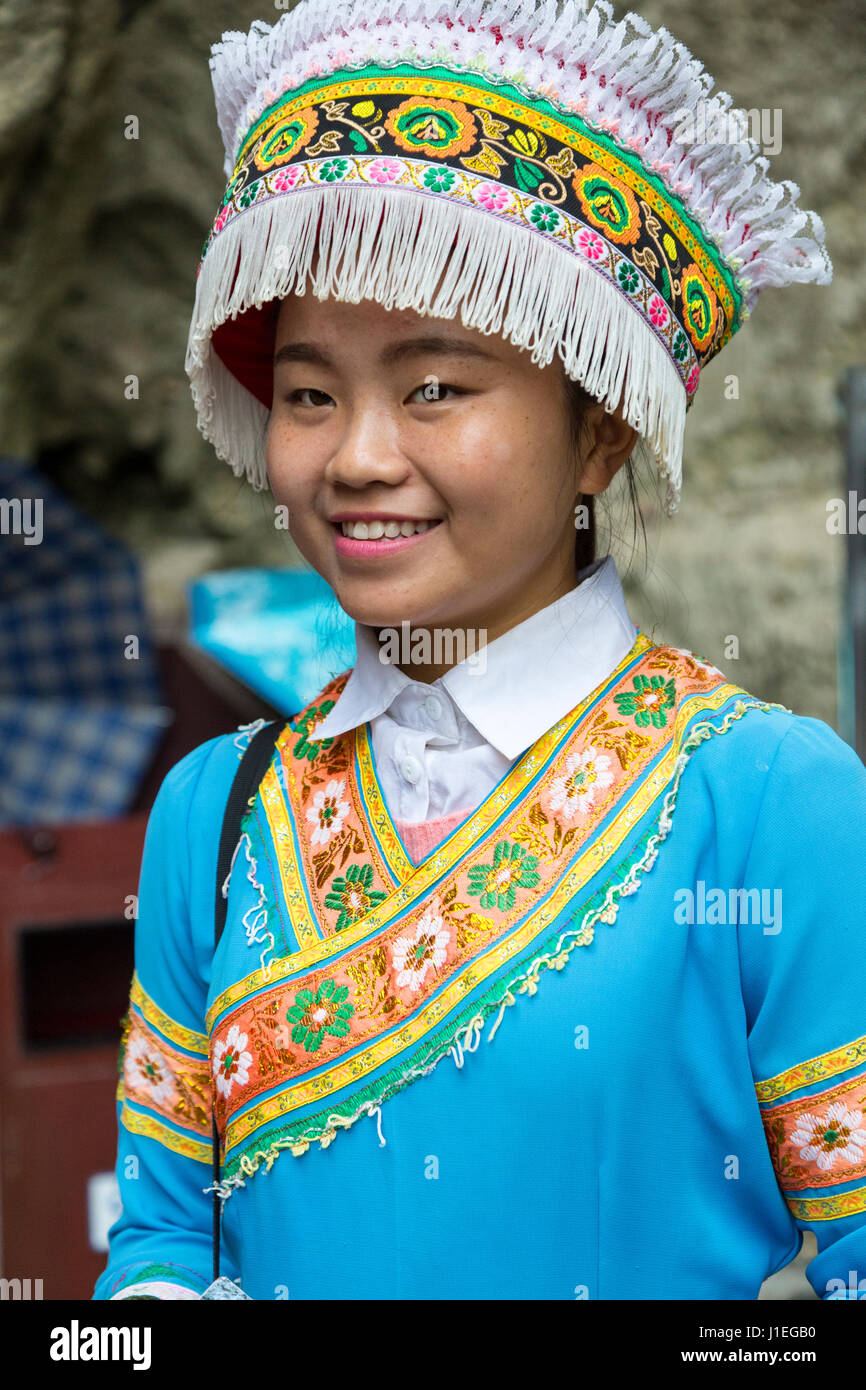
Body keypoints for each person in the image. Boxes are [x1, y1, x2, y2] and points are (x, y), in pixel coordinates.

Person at [94, 0, 866, 1300]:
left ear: (602, 431)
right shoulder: (213, 814)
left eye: (435, 386)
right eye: (307, 391)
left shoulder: (771, 803)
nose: (355, 457)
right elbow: (163, 1239)